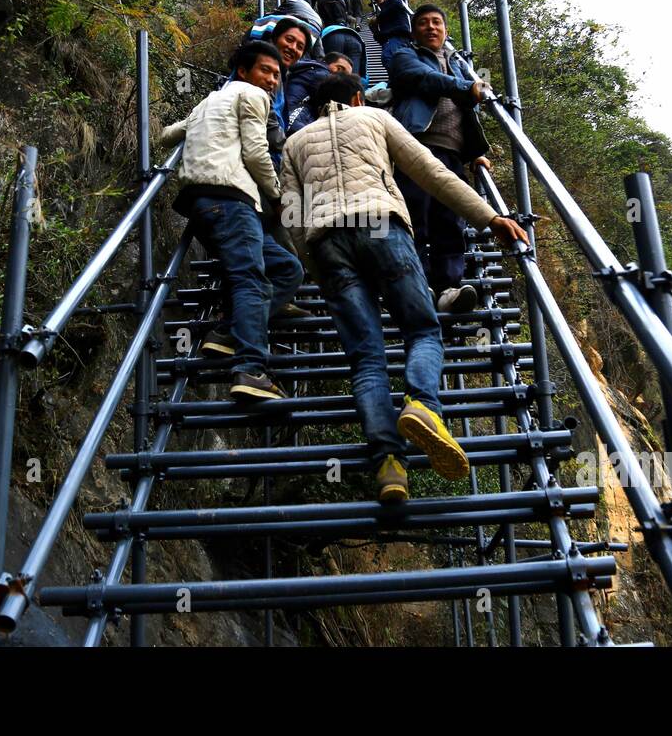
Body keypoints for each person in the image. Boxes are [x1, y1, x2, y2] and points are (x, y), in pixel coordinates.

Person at [279, 73, 528, 502]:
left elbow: (290, 213)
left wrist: (315, 263)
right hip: (381, 225)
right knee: (422, 330)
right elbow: (431, 172)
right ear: (358, 96)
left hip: (327, 243)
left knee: (366, 359)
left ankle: (389, 467)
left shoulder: (294, 143)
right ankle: (423, 405)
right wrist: (489, 218)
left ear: (317, 106)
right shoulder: (375, 118)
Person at [160, 40, 304, 402]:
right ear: (244, 71)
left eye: (276, 74)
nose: (272, 80)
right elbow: (257, 153)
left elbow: (166, 135)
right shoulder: (253, 97)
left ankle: (226, 333)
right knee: (251, 281)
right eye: (265, 71)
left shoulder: (208, 102)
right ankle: (252, 371)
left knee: (287, 268)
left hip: (202, 204)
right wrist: (277, 196)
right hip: (231, 199)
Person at [387, 4, 493, 314]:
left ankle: (448, 288)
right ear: (413, 31)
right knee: (415, 219)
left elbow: (468, 112)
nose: (431, 27)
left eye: (436, 22)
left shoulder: (459, 66)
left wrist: (477, 154)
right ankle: (419, 287)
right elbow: (419, 78)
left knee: (449, 222)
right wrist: (465, 87)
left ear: (446, 30)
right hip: (417, 146)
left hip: (453, 152)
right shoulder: (405, 56)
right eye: (423, 23)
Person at [367, 0, 413, 65]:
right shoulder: (383, 12)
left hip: (399, 38)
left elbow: (398, 5)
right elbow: (381, 38)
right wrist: (374, 30)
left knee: (388, 58)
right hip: (389, 41)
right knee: (391, 60)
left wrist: (377, 18)